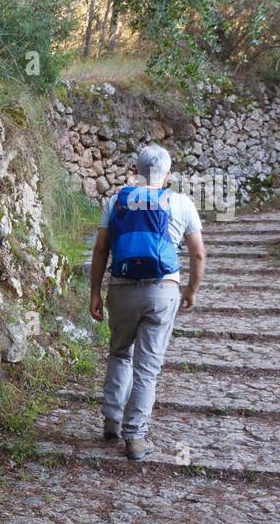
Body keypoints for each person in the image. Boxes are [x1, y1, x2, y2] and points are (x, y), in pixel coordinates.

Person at [88, 144, 206, 461]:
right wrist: (191, 290)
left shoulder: (116, 201)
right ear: (168, 173)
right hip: (162, 290)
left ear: (137, 171)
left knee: (119, 354)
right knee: (147, 369)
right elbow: (197, 253)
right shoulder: (180, 202)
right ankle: (135, 437)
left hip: (120, 289)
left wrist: (94, 293)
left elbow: (101, 250)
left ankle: (112, 422)